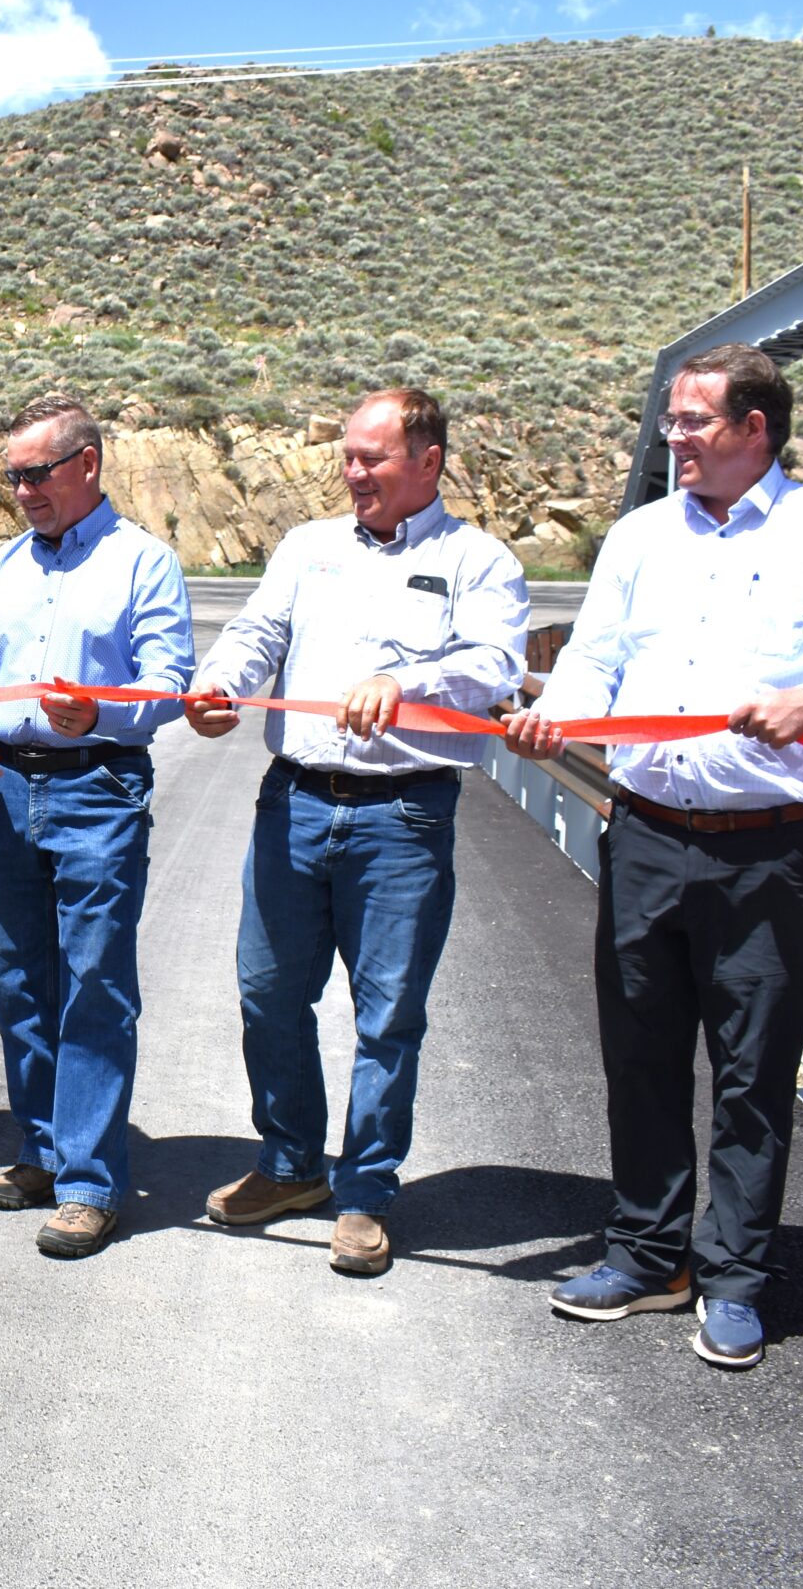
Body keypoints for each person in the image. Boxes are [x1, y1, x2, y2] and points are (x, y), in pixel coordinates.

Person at [504, 343, 803, 1367]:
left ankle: (735, 1273)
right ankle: (651, 1257)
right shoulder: (642, 536)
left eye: (692, 421)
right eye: (671, 420)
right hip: (648, 835)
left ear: (754, 429)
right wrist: (554, 719)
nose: (672, 437)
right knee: (641, 1057)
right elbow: (597, 659)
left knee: (751, 1072)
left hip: (766, 854)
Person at [187, 388, 530, 1277]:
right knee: (267, 994)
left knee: (387, 1017)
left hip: (404, 814)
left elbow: (495, 662)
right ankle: (292, 1164)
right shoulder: (308, 549)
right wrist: (220, 681)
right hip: (294, 802)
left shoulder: (477, 561)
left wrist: (406, 681)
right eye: (347, 455)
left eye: (372, 458)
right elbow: (258, 631)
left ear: (428, 461)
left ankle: (367, 1190)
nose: (353, 472)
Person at [0, 393, 194, 1257]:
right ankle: (43, 1149)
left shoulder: (144, 563)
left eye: (36, 473)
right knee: (20, 982)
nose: (22, 491)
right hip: (5, 790)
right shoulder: (3, 568)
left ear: (88, 464)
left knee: (93, 984)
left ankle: (91, 1180)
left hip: (97, 788)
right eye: (11, 476)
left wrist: (105, 717)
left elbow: (169, 682)